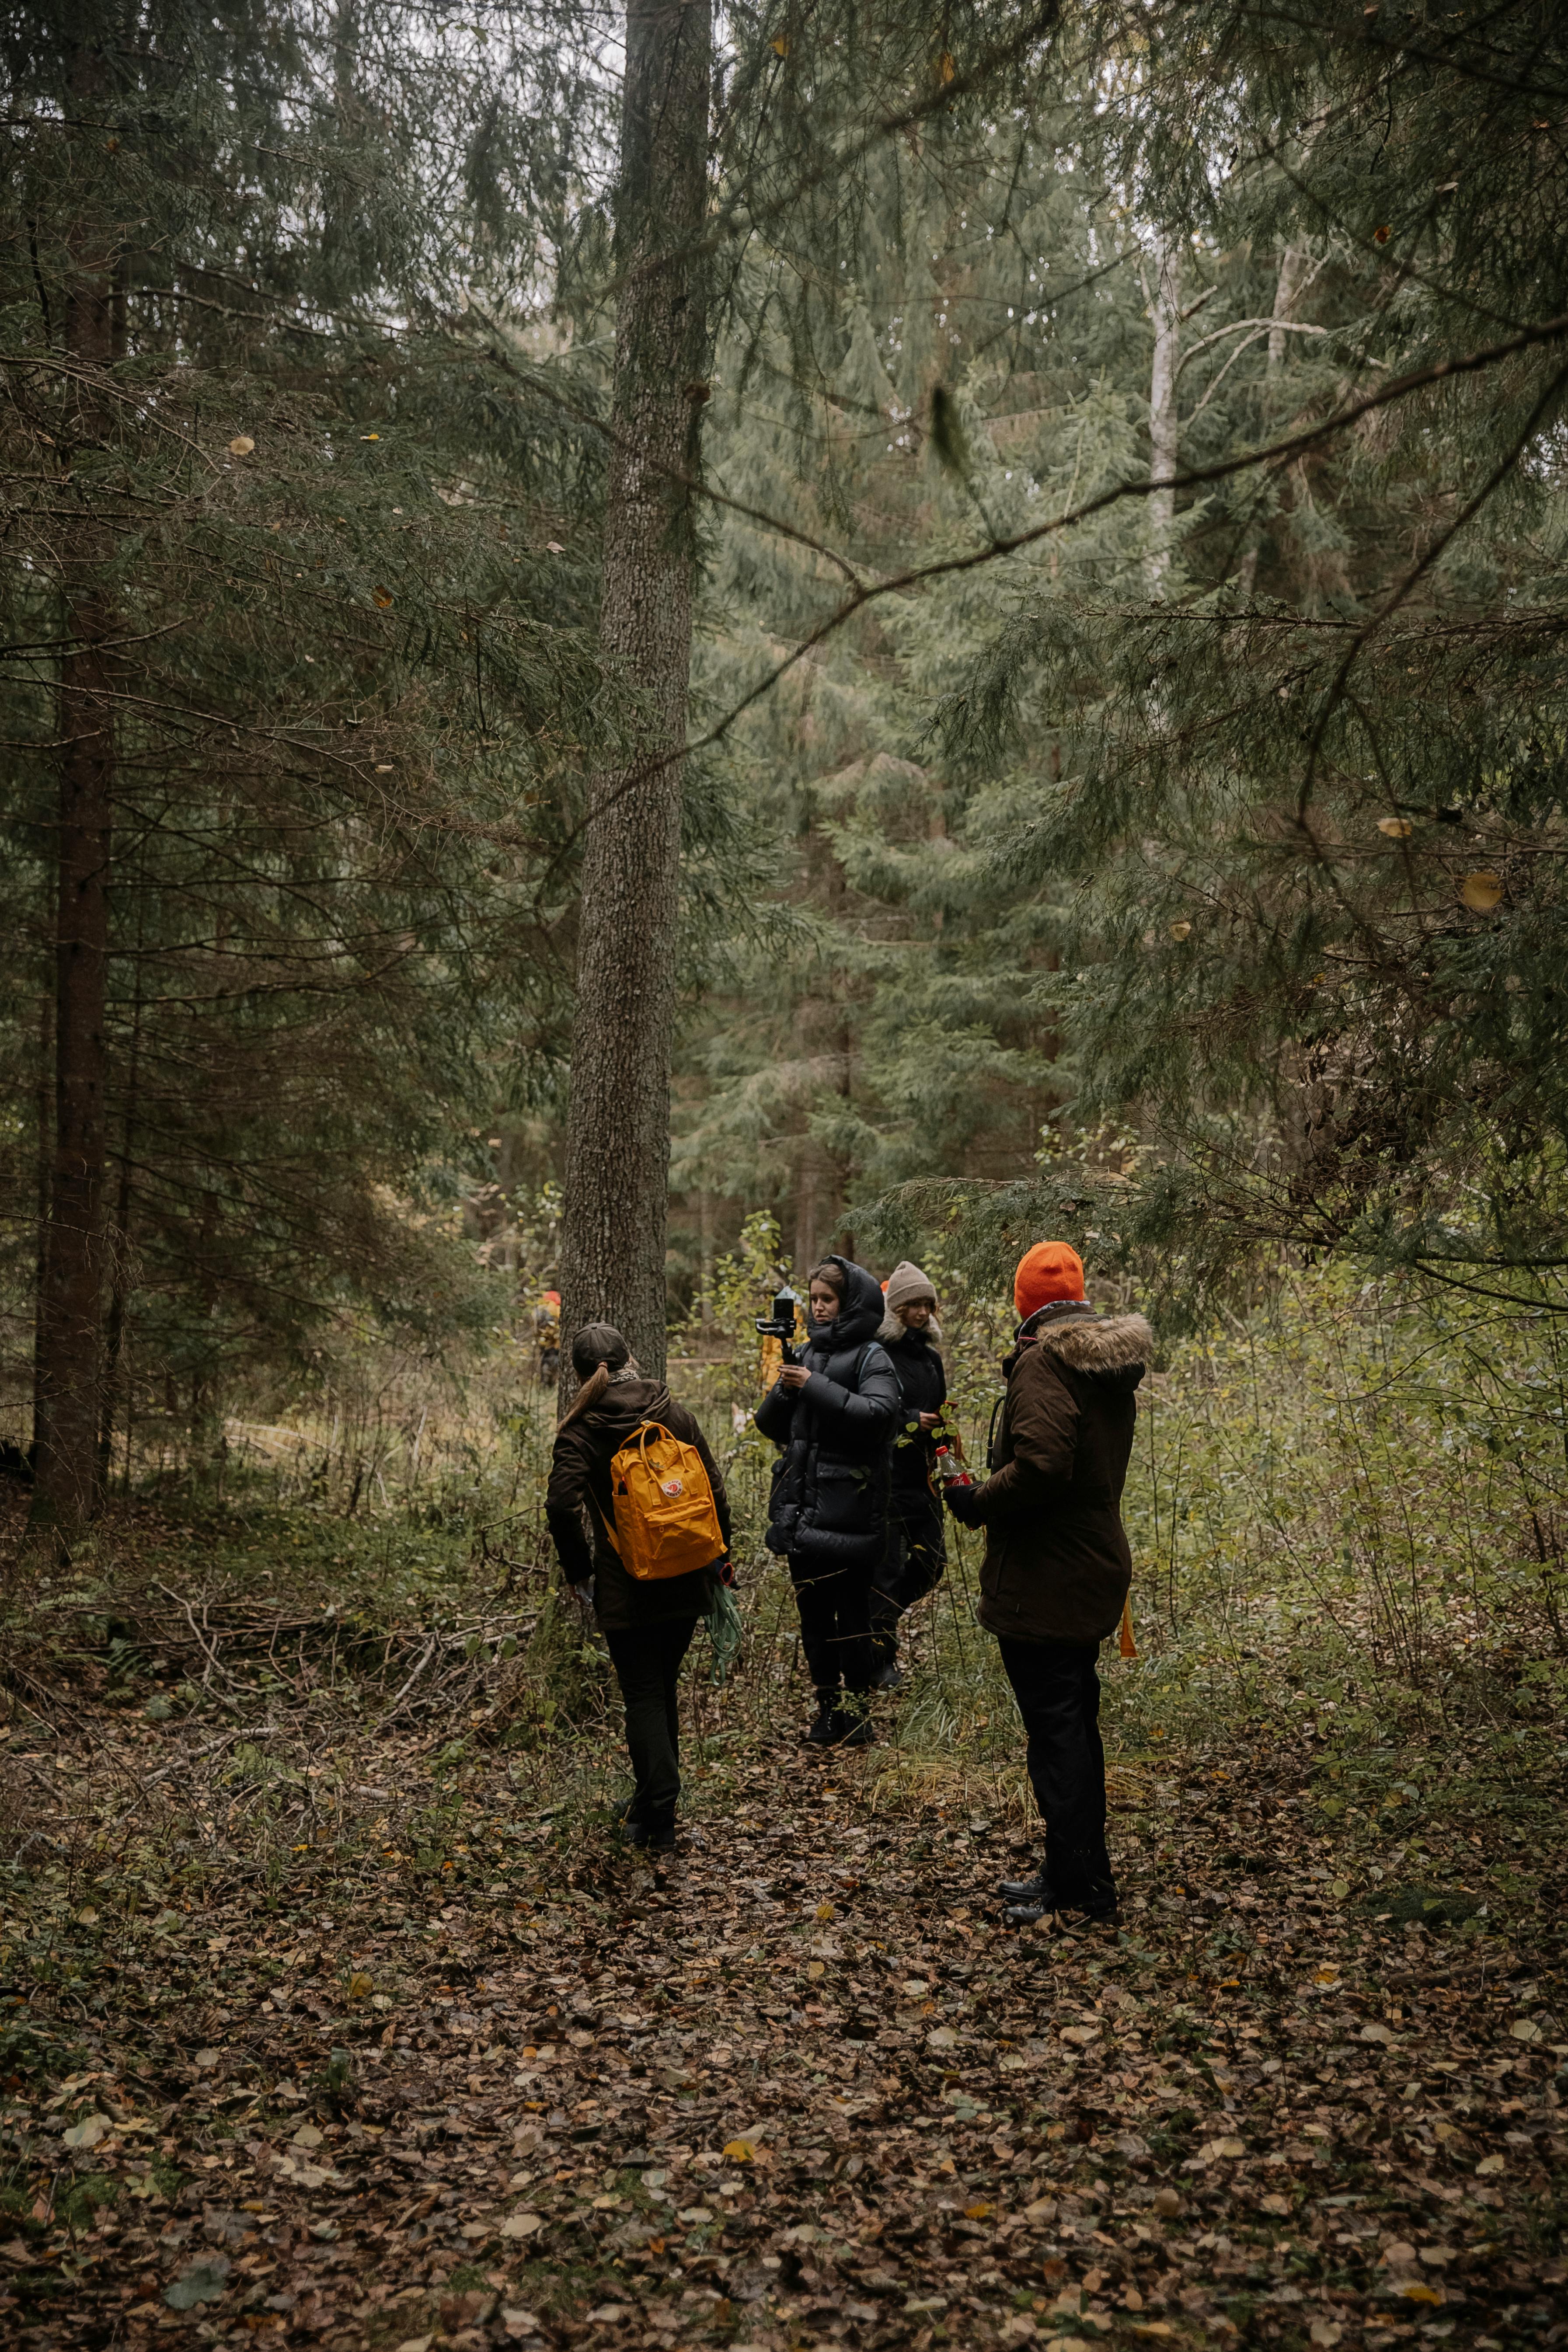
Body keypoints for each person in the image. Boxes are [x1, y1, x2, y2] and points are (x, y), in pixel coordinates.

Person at [943, 1241, 1152, 1924]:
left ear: (1023, 1304)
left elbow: (1041, 1465)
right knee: (1073, 1726)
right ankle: (1077, 1873)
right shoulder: (1103, 1363)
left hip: (1048, 1575)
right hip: (1086, 1566)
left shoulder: (1043, 1360)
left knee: (1057, 1734)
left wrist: (975, 1500)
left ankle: (1079, 1887)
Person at [545, 1323, 731, 1852]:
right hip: (690, 1573)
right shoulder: (672, 1412)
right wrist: (722, 1561)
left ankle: (659, 1811)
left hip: (627, 1583)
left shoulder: (582, 1430)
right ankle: (651, 1807)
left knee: (644, 1692)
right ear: (632, 1357)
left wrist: (578, 1570)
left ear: (580, 1376)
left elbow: (561, 1505)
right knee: (661, 1686)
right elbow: (714, 1490)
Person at [756, 1255, 899, 1746]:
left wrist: (813, 1387)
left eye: (827, 1300)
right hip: (802, 1512)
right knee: (813, 1621)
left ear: (850, 1303)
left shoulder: (871, 1357)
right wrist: (787, 1386)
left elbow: (878, 1416)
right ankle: (826, 1710)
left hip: (853, 1514)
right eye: (813, 1299)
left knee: (852, 1620)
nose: (818, 1308)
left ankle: (857, 1713)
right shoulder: (806, 1353)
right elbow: (770, 1427)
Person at [869, 1260, 949, 1689]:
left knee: (931, 1565)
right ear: (896, 1309)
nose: (921, 1312)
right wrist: (908, 1421)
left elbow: (940, 1414)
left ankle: (872, 1623)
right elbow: (874, 1413)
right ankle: (880, 1660)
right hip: (886, 1481)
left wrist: (946, 1459)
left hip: (923, 1481)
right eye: (912, 1305)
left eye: (926, 1304)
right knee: (884, 1572)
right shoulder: (878, 1354)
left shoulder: (932, 1359)